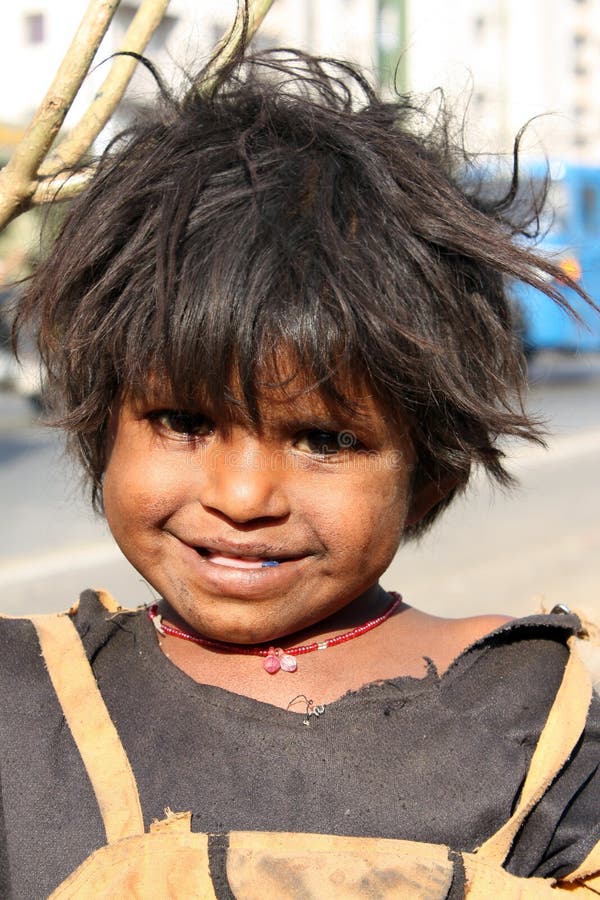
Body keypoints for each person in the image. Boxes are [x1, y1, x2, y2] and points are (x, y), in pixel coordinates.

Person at [5, 32, 599, 898]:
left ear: (430, 472)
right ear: (103, 433)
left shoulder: (540, 725)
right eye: (182, 421)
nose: (242, 497)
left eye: (325, 440)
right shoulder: (27, 703)